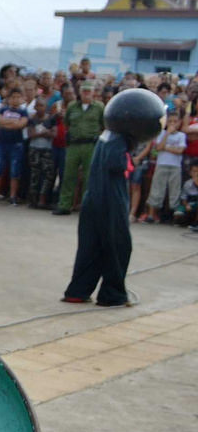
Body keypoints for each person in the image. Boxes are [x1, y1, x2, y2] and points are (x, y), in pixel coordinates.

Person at [63, 90, 162, 306]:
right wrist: (131, 161)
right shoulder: (118, 139)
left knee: (91, 247)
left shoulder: (107, 134)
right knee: (118, 246)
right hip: (110, 199)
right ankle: (112, 295)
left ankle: (77, 291)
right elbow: (116, 163)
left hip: (94, 197)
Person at [54, 82, 104, 214]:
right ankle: (64, 205)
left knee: (89, 177)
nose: (86, 94)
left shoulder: (99, 107)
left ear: (93, 93)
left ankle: (87, 206)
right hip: (74, 144)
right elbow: (67, 123)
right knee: (68, 175)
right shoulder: (72, 106)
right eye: (84, 91)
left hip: (90, 144)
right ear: (80, 93)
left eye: (89, 91)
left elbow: (103, 125)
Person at [143, 113, 187, 222]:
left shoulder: (181, 135)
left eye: (175, 121)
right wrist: (167, 134)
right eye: (170, 121)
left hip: (175, 166)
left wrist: (166, 148)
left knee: (174, 190)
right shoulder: (162, 133)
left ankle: (175, 216)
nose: (172, 124)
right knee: (157, 188)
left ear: (179, 122)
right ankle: (151, 215)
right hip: (162, 164)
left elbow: (180, 150)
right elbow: (158, 147)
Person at [0, 87, 30, 205]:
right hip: (1, 142)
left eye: (18, 97)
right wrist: (13, 122)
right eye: (13, 97)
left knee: (15, 171)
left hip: (16, 144)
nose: (15, 99)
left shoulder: (23, 112)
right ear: (9, 99)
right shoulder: (2, 109)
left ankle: (13, 196)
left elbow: (21, 125)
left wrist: (6, 122)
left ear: (22, 99)